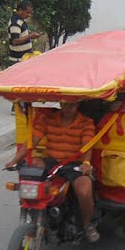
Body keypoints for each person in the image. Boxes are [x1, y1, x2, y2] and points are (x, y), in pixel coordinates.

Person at [30, 100, 99, 242]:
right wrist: (16, 159)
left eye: (72, 105)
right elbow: (32, 142)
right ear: (60, 104)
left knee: (84, 190)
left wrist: (86, 163)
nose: (68, 108)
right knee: (32, 166)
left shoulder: (86, 122)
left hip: (74, 165)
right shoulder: (48, 118)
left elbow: (87, 146)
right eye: (65, 104)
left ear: (78, 104)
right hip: (53, 163)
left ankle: (87, 225)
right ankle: (37, 213)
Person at [8, 0, 38, 66]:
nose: (29, 15)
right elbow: (15, 41)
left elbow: (21, 33)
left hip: (24, 57)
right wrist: (30, 36)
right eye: (27, 13)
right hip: (18, 60)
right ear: (20, 10)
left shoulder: (21, 20)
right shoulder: (15, 23)